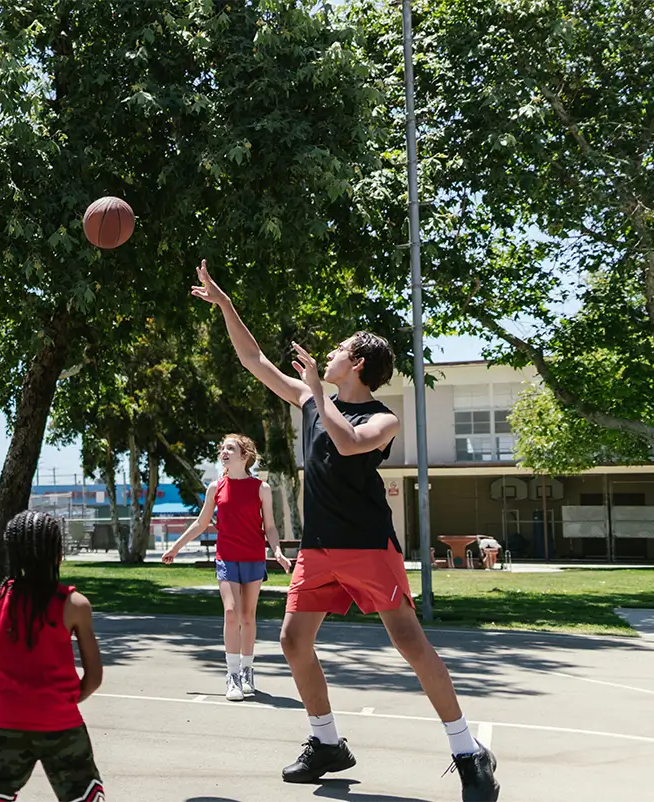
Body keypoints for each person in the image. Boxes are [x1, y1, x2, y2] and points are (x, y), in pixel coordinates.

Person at [190, 262, 500, 801]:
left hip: (367, 544)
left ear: (355, 364)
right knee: (291, 641)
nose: (326, 355)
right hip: (318, 547)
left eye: (336, 351)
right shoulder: (313, 400)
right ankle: (327, 742)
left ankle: (468, 752)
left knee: (408, 641)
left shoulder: (382, 418)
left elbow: (349, 444)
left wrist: (316, 391)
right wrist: (224, 306)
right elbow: (254, 360)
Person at [0, 511, 106, 802]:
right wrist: (62, 700)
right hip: (60, 721)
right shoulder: (74, 604)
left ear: (12, 554)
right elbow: (94, 676)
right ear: (58, 554)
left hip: (3, 720)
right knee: (83, 797)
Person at [163, 434, 292, 701]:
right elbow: (200, 523)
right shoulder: (215, 488)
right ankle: (232, 675)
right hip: (226, 558)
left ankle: (247, 671)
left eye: (230, 448)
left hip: (254, 557)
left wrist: (277, 551)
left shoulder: (262, 488)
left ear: (244, 456)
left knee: (248, 616)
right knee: (231, 612)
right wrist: (175, 548)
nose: (224, 452)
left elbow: (269, 526)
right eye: (222, 448)